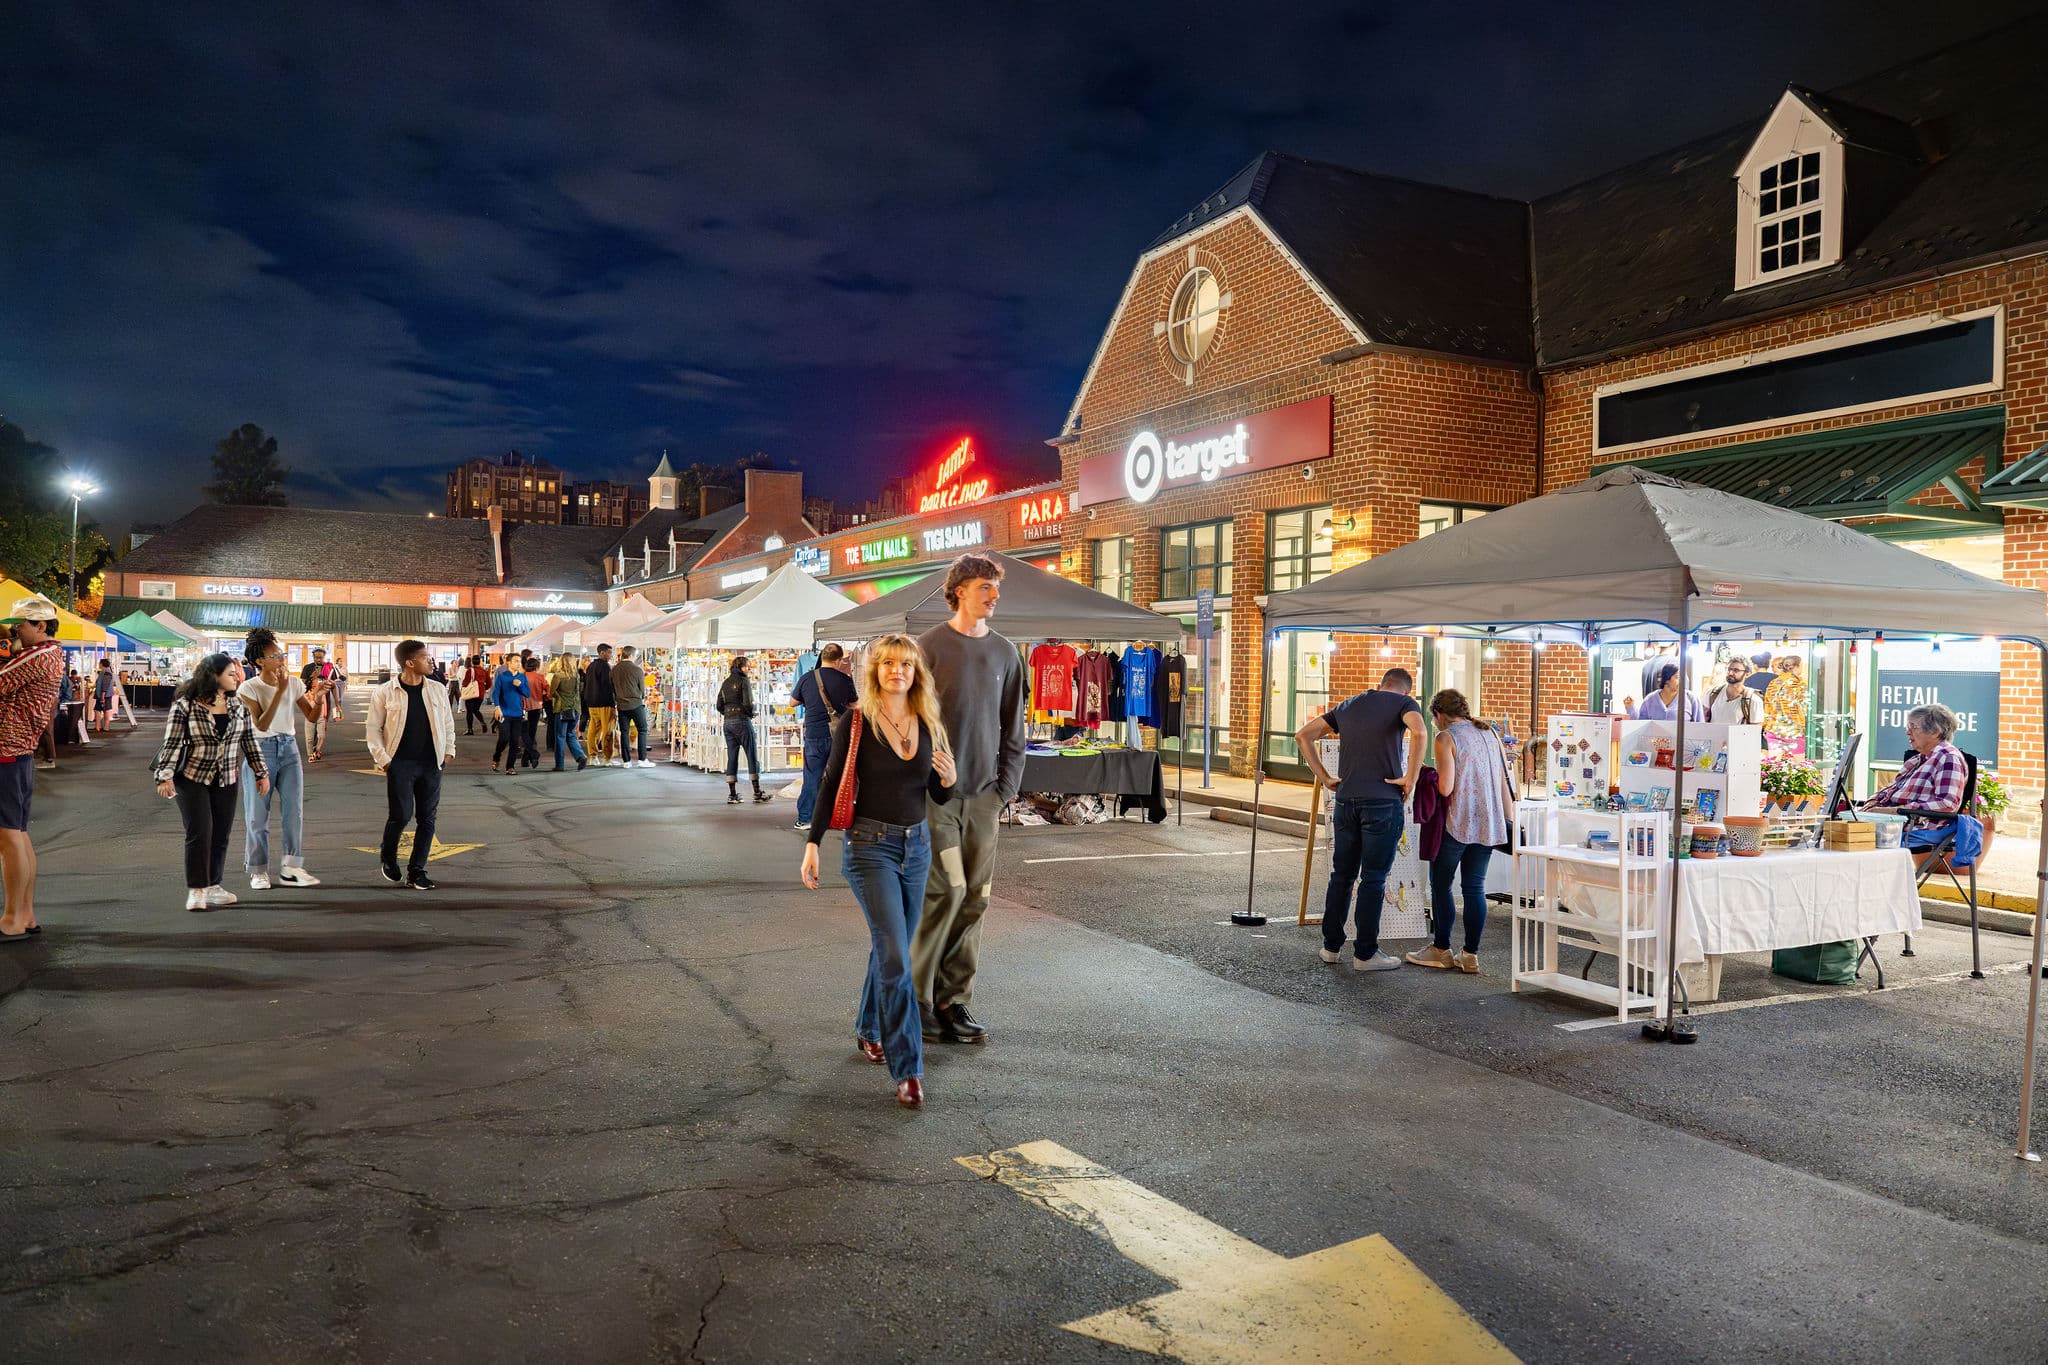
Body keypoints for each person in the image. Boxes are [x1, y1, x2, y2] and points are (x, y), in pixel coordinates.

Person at [800, 634, 958, 1109]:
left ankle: (869, 1026)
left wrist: (949, 781)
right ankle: (907, 1069)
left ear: (916, 673)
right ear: (874, 670)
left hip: (917, 848)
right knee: (895, 955)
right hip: (869, 848)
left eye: (905, 665)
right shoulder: (857, 721)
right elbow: (831, 782)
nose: (896, 671)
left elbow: (938, 793)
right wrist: (813, 843)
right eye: (887, 664)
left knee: (890, 948)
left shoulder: (928, 721)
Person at [911, 554, 1026, 1044]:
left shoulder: (1005, 653)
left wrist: (1004, 792)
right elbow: (909, 721)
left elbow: (1014, 728)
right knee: (946, 891)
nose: (994, 596)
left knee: (976, 898)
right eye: (985, 587)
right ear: (959, 590)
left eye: (996, 588)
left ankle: (953, 1000)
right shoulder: (929, 647)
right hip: (937, 799)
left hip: (983, 800)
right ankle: (916, 998)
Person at [1295, 667, 1425, 972]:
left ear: (1382, 684)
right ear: (1406, 690)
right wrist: (1411, 778)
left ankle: (1331, 946)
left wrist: (1325, 777)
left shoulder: (1349, 704)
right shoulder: (1404, 705)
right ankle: (1365, 953)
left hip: (1346, 800)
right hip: (1382, 800)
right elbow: (1419, 732)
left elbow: (1303, 735)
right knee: (1374, 878)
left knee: (1342, 875)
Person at [152, 653, 269, 913]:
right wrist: (165, 775)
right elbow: (171, 743)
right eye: (230, 673)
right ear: (213, 675)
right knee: (199, 831)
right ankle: (197, 889)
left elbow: (249, 741)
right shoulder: (185, 705)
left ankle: (214, 885)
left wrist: (261, 772)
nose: (237, 677)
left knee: (221, 833)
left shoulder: (239, 706)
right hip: (192, 777)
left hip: (226, 777)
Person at [1405, 690, 1512, 973]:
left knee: (1441, 885)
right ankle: (1470, 955)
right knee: (1474, 888)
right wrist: (1508, 818)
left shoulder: (1446, 738)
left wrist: (1428, 773)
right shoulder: (1489, 733)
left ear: (1439, 714)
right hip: (1489, 822)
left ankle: (1441, 949)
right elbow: (1502, 781)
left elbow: (1445, 788)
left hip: (1457, 822)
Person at [238, 628, 330, 891]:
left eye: (281, 653)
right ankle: (258, 870)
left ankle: (292, 868)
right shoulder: (249, 687)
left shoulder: (294, 683)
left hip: (289, 750)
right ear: (259, 662)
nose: (281, 658)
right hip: (260, 751)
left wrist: (320, 697)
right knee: (257, 815)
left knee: (294, 813)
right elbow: (262, 723)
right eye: (275, 655)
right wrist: (279, 691)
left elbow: (310, 717)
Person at [0, 596, 67, 940]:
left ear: (41, 625)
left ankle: (12, 918)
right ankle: (23, 914)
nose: (15, 629)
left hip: (8, 749)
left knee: (8, 835)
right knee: (18, 833)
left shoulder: (35, 656)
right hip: (20, 749)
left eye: (21, 624)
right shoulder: (49, 654)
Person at [366, 638, 456, 890]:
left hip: (431, 764)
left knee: (427, 818)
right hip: (400, 764)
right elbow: (373, 729)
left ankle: (417, 871)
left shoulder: (437, 689)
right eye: (425, 657)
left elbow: (448, 724)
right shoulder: (385, 692)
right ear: (409, 662)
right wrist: (384, 760)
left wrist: (449, 751)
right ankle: (388, 857)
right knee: (401, 815)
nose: (431, 661)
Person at [1864, 702, 1969, 844]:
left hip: (1917, 829)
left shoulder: (1948, 758)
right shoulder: (1918, 759)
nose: (1908, 732)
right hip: (1893, 825)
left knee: (1853, 844)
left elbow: (1947, 804)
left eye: (1913, 727)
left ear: (1935, 732)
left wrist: (1897, 811)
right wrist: (1872, 804)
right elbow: (1891, 790)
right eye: (1908, 727)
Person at [792, 644, 857, 831]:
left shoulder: (807, 678)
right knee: (838, 777)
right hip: (839, 736)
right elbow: (856, 705)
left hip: (814, 734)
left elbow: (792, 702)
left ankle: (805, 819)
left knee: (812, 776)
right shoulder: (845, 680)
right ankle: (837, 817)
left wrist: (811, 700)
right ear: (838, 660)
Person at [716, 656, 771, 802]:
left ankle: (732, 794)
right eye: (747, 666)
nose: (749, 669)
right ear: (741, 666)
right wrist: (750, 714)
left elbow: (718, 705)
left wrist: (728, 713)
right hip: (742, 721)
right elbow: (748, 703)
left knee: (732, 757)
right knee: (751, 755)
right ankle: (757, 792)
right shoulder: (744, 681)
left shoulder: (726, 682)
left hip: (727, 722)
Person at [299, 648, 344, 760]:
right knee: (311, 726)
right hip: (310, 700)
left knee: (322, 727)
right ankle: (312, 750)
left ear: (324, 656)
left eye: (320, 657)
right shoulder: (307, 668)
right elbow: (302, 685)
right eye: (316, 657)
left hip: (325, 702)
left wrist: (337, 703)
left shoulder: (329, 668)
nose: (318, 659)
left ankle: (316, 749)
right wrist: (311, 678)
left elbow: (333, 687)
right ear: (313, 657)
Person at [546, 654, 589, 771]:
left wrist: (558, 697)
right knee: (570, 734)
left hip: (562, 709)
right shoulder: (577, 676)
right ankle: (580, 756)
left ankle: (559, 764)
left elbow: (552, 692)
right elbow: (579, 692)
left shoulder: (558, 676)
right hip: (575, 709)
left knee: (560, 736)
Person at [489, 657, 531, 774]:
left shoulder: (522, 677)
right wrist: (497, 708)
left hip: (517, 713)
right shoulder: (502, 676)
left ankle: (510, 767)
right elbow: (496, 693)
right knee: (504, 738)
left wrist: (520, 686)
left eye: (519, 661)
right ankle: (497, 756)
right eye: (515, 661)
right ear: (509, 663)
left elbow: (527, 693)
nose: (518, 663)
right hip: (504, 713)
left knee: (514, 741)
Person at [614, 644, 652, 768]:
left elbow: (612, 688)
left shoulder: (614, 669)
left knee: (624, 732)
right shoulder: (637, 670)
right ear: (631, 655)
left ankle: (626, 761)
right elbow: (642, 690)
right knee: (642, 729)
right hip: (635, 704)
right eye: (635, 655)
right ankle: (642, 759)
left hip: (621, 705)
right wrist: (641, 698)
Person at [1625, 663, 1702, 722]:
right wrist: (1631, 708)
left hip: (1682, 743)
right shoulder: (1650, 700)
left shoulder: (1691, 698)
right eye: (1677, 677)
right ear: (1667, 679)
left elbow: (1700, 726)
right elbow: (1640, 724)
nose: (1681, 681)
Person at [584, 643, 619, 767]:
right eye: (609, 652)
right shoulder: (605, 667)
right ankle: (606, 757)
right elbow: (607, 685)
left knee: (593, 730)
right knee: (608, 730)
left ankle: (592, 756)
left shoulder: (591, 666)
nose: (610, 655)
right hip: (605, 702)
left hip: (592, 703)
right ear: (602, 652)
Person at [1701, 656, 1761, 725]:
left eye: (1736, 670)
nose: (1730, 673)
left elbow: (1755, 729)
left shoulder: (1753, 700)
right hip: (1713, 735)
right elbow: (1703, 721)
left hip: (1738, 736)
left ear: (1747, 674)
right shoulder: (1712, 693)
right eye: (1729, 669)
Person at [520, 652, 547, 768]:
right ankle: (530, 756)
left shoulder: (521, 676)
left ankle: (528, 757)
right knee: (532, 732)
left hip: (522, 707)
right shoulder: (540, 677)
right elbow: (548, 692)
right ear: (536, 666)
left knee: (524, 733)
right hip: (536, 707)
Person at [461, 656, 492, 735]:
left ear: (472, 662)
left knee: (469, 712)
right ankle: (482, 722)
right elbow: (489, 683)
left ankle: (470, 729)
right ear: (480, 662)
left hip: (471, 693)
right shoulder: (484, 671)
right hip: (480, 693)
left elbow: (466, 682)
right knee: (476, 710)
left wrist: (463, 687)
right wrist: (484, 689)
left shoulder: (470, 671)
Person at [93, 658, 115, 733]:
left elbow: (105, 685)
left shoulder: (107, 673)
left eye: (99, 663)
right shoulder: (104, 672)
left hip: (104, 695)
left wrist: (102, 695)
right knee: (104, 710)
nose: (99, 664)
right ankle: (102, 726)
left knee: (99, 710)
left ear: (102, 664)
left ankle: (100, 726)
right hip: (104, 694)